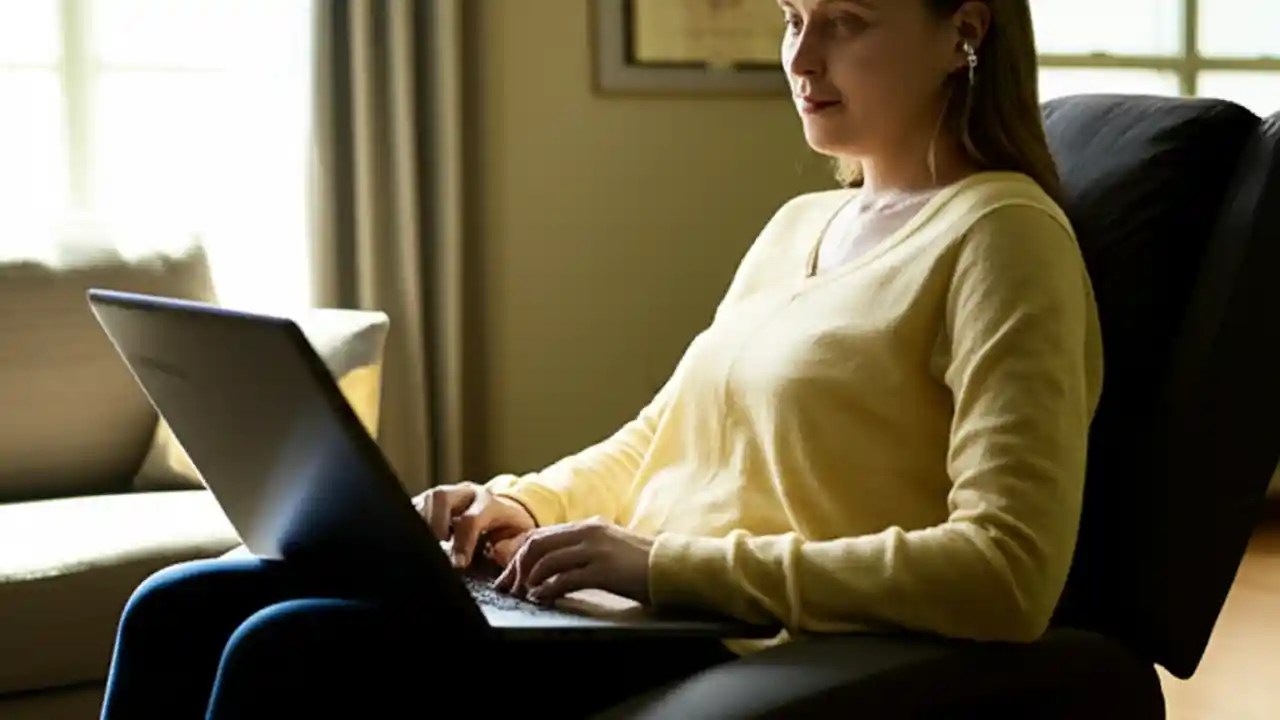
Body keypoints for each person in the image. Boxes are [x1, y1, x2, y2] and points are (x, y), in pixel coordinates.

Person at [99, 1, 1102, 718]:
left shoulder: (1003, 239)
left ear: (962, 31)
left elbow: (1005, 573)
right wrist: (518, 502)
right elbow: (659, 438)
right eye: (792, 19)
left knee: (285, 652)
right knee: (178, 605)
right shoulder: (802, 221)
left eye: (845, 21)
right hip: (625, 602)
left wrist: (670, 569)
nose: (801, 59)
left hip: (719, 627)